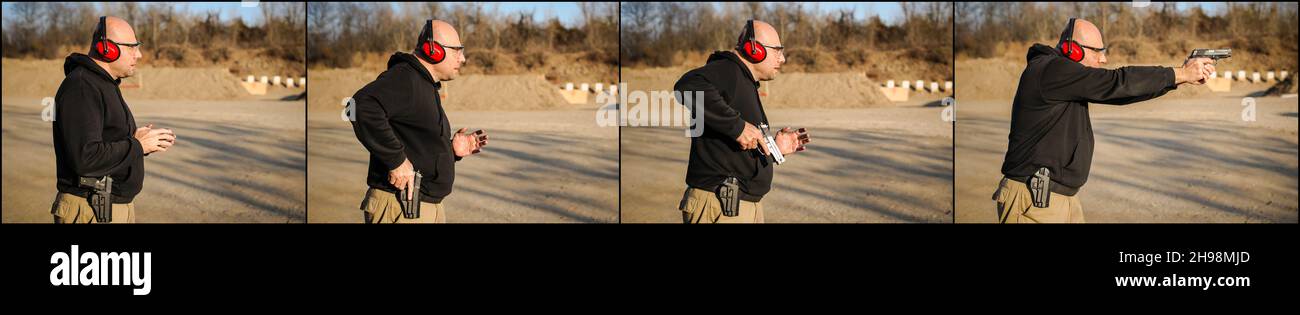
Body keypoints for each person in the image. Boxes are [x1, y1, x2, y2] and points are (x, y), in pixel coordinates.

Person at [993, 18, 1215, 223]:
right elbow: (1116, 82)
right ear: (1072, 49)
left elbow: (1120, 93)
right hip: (1033, 201)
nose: (1103, 58)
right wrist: (1181, 73)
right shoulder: (1051, 69)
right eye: (1096, 51)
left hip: (1057, 199)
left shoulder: (1063, 77)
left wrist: (1179, 78)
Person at [349, 19, 489, 223]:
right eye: (457, 51)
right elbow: (357, 106)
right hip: (400, 207)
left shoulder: (424, 84)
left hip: (422, 208)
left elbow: (414, 140)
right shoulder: (405, 78)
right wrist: (396, 160)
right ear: (434, 50)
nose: (463, 58)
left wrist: (450, 151)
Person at [672, 19, 811, 224]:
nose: (782, 59)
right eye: (777, 51)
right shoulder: (728, 70)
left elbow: (738, 148)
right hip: (720, 205)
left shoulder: (744, 81)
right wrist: (737, 127)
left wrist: (774, 150)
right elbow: (688, 85)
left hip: (739, 206)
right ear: (755, 50)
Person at [51, 16, 177, 224]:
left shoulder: (103, 84)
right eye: (132, 47)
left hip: (106, 208)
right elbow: (85, 158)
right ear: (107, 49)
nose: (139, 54)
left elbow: (103, 140)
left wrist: (135, 139)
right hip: (90, 210)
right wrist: (137, 145)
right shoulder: (82, 87)